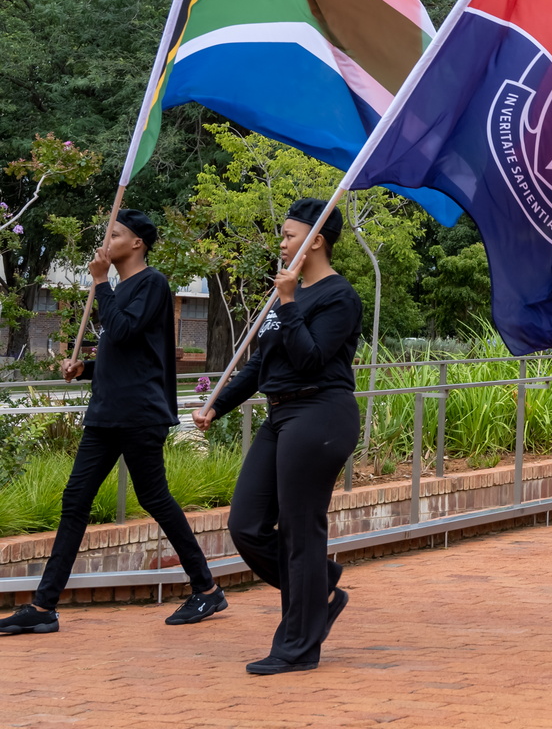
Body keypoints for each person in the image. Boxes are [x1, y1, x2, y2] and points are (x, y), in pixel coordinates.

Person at [1, 210, 220, 637]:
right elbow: (123, 355)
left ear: (137, 243)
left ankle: (207, 588)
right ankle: (44, 606)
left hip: (139, 414)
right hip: (107, 412)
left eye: (115, 233)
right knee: (75, 499)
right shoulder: (122, 289)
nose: (107, 239)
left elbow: (121, 331)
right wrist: (83, 368)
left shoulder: (152, 284)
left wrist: (99, 283)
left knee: (155, 498)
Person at [191, 199, 361, 674]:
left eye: (289, 236)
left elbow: (310, 359)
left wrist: (287, 302)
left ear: (316, 241)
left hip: (320, 414)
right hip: (281, 415)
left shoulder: (338, 297)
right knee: (245, 525)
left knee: (299, 531)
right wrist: (217, 405)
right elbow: (262, 365)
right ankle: (320, 585)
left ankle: (299, 646)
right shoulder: (285, 296)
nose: (282, 243)